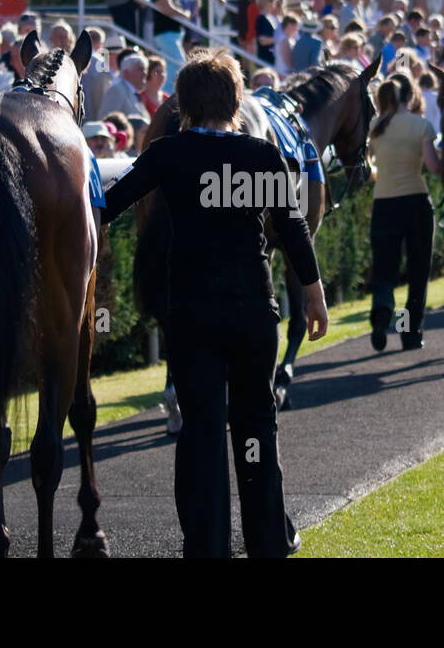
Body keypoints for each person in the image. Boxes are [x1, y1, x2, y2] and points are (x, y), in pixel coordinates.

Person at [99, 48, 328, 558]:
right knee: (256, 426)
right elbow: (293, 230)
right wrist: (314, 294)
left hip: (193, 312)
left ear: (184, 103)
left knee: (201, 430)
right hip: (252, 309)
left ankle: (208, 545)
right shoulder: (265, 156)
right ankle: (268, 539)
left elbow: (109, 206)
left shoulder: (167, 154)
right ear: (236, 99)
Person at [366, 73, 439, 351]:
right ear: (408, 97)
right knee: (418, 271)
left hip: (384, 203)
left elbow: (368, 168)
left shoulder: (374, 127)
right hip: (416, 202)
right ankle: (410, 331)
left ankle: (382, 312)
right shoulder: (421, 125)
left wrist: (382, 173)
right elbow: (434, 167)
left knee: (384, 267)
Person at [152, 0, 187, 94]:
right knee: (177, 64)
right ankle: (169, 94)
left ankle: (171, 93)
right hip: (165, 34)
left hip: (172, 35)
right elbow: (166, 8)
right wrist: (183, 14)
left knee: (175, 64)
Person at [98, 52, 149, 121]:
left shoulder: (136, 95)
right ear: (126, 72)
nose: (145, 73)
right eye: (140, 69)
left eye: (145, 70)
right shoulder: (117, 90)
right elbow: (106, 119)